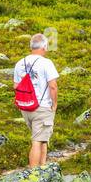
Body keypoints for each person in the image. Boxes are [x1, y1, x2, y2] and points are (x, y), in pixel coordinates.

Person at [13, 33, 59, 168]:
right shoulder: (46, 63)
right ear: (44, 47)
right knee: (37, 141)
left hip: (25, 107)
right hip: (42, 107)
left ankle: (43, 167)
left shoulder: (20, 63)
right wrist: (54, 104)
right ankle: (34, 175)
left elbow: (16, 86)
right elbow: (53, 86)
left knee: (43, 138)